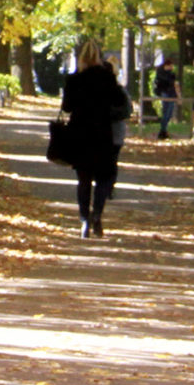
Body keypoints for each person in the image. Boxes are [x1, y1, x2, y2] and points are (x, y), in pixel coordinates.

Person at [62, 38, 131, 237]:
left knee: (83, 179)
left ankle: (84, 220)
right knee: (104, 177)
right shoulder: (106, 77)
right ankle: (97, 214)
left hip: (80, 133)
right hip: (102, 133)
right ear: (99, 58)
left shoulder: (74, 79)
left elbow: (66, 107)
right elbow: (119, 101)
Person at [153, 56, 180, 140]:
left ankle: (163, 130)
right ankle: (163, 130)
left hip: (171, 94)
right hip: (165, 93)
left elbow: (175, 84)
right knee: (166, 112)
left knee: (168, 112)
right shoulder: (161, 73)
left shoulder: (171, 74)